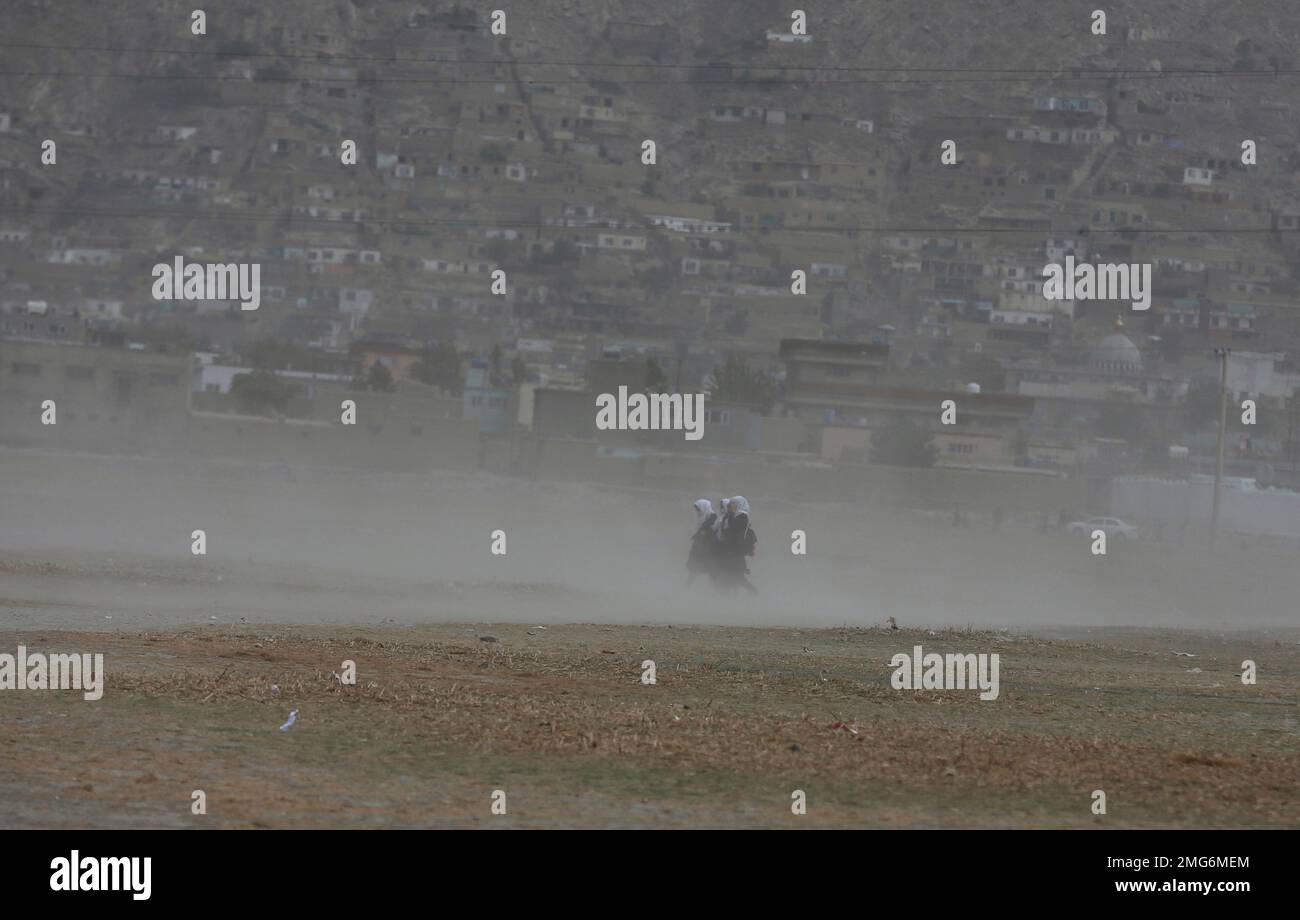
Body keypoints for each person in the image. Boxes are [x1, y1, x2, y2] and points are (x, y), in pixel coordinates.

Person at [717, 496, 758, 594]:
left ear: (739, 504)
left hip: (736, 550)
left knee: (737, 576)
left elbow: (734, 530)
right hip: (732, 549)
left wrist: (730, 517)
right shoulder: (735, 515)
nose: (731, 506)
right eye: (731, 505)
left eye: (734, 504)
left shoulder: (742, 516)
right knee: (732, 575)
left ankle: (753, 592)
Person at [687, 499, 718, 585]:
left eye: (698, 509)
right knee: (694, 568)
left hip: (707, 547)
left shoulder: (712, 517)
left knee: (710, 568)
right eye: (697, 509)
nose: (697, 511)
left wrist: (703, 533)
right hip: (699, 546)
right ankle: (688, 585)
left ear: (704, 507)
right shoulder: (702, 517)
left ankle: (716, 587)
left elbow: (711, 531)